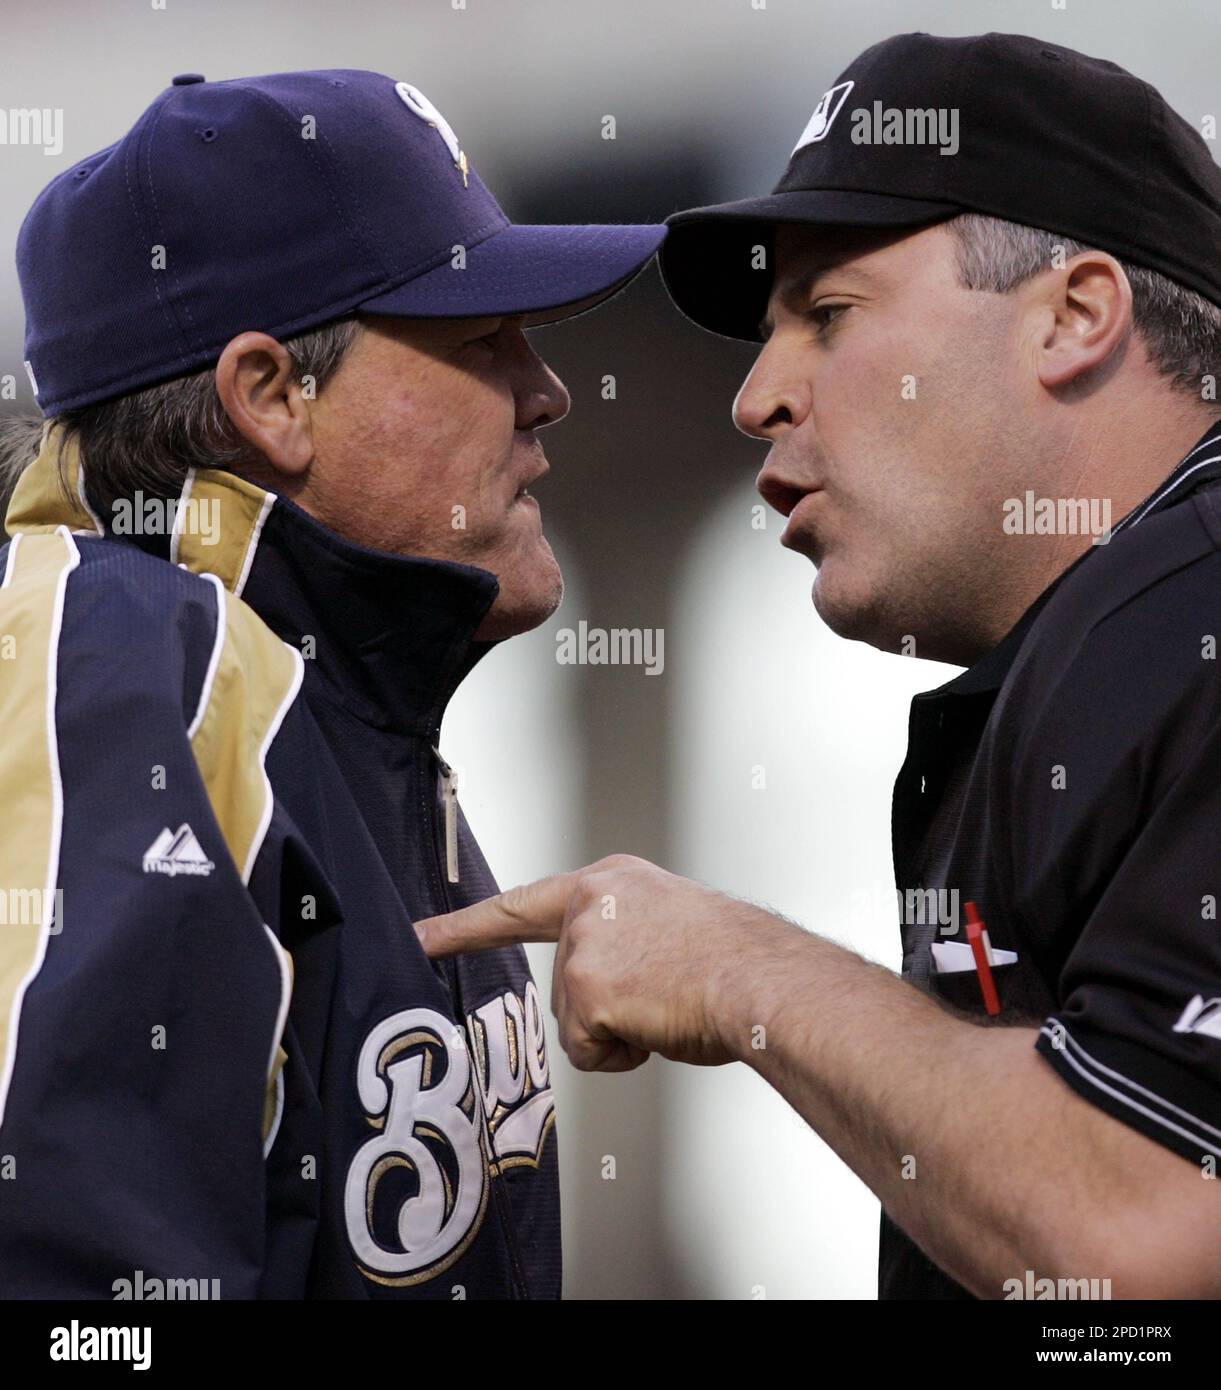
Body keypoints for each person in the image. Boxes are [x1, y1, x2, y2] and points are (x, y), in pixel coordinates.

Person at [416, 32, 1221, 1299]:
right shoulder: (1107, 640)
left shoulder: (1193, 627)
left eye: (827, 315)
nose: (756, 396)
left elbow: (1144, 1237)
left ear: (1074, 315)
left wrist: (740, 968)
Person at [0, 67, 664, 1299]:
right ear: (271, 396)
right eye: (483, 338)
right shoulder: (120, 663)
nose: (548, 391)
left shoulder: (328, 699)